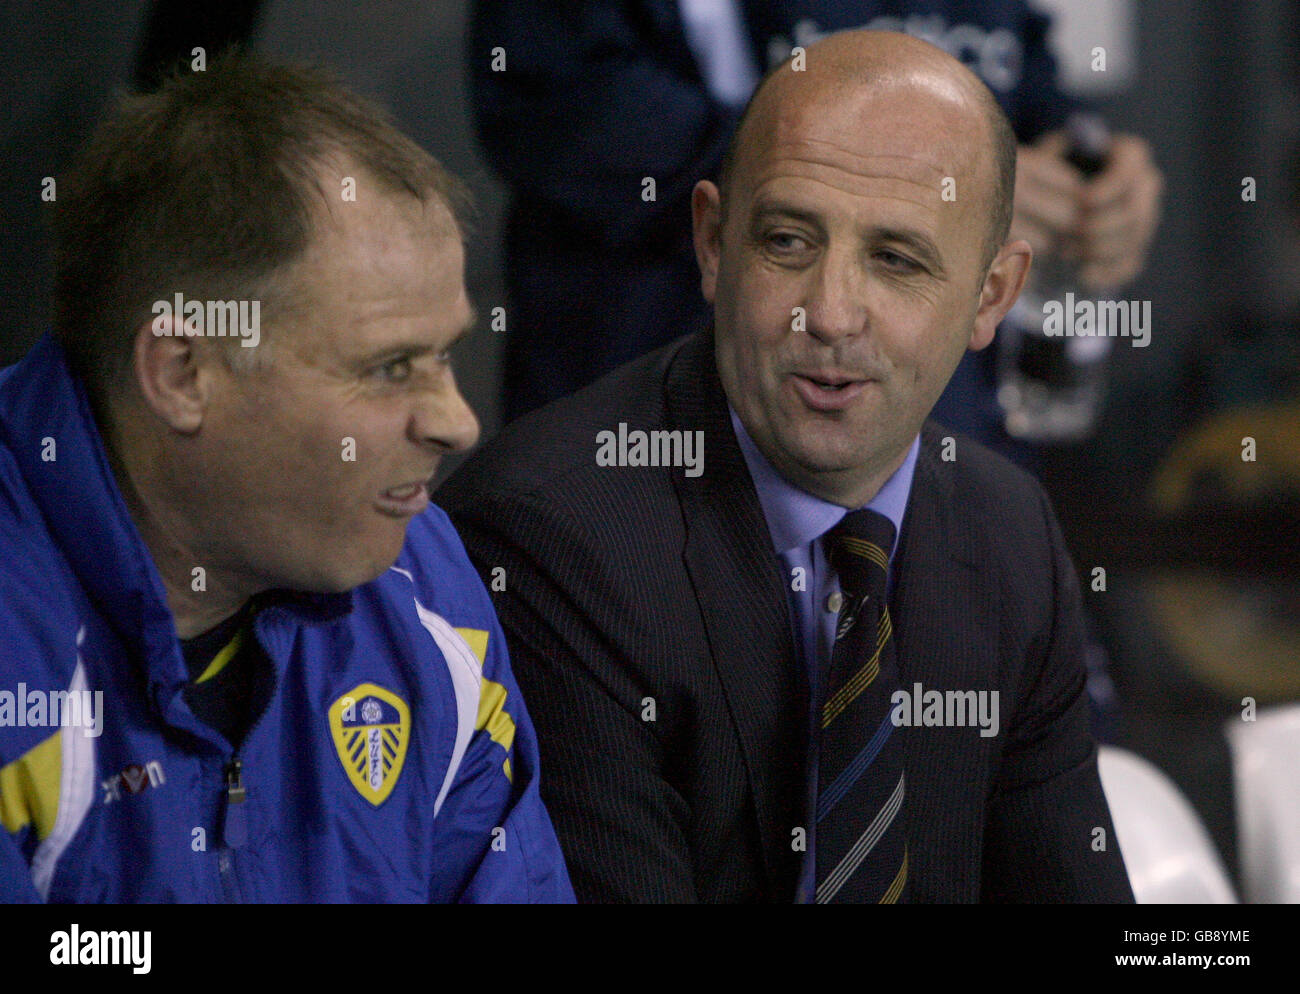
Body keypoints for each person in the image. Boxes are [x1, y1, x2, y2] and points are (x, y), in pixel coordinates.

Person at [439, 30, 1134, 903]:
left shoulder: (1009, 534)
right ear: (712, 243)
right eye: (787, 242)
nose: (832, 314)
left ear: (992, 295)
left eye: (896, 259)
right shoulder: (549, 539)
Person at [0, 56, 573, 903]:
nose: (457, 423)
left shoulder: (424, 585)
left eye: (445, 353)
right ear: (184, 373)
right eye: (389, 368)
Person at [470, 0, 1162, 441]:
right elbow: (558, 105)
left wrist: (1093, 176)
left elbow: (1023, 84)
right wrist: (918, 177)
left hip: (943, 449)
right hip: (660, 446)